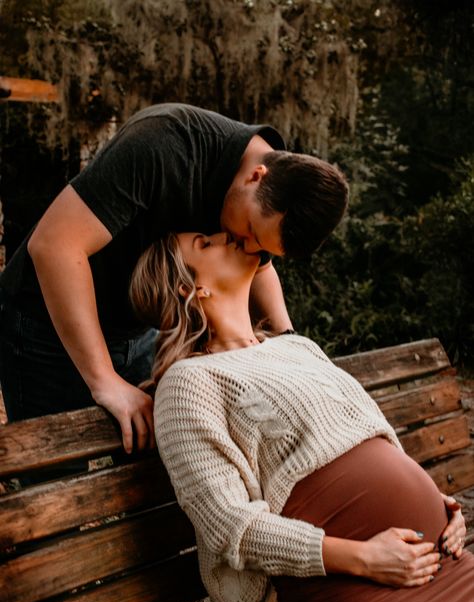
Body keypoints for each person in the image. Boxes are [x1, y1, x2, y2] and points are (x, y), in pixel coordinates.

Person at [128, 230, 473, 602]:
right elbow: (232, 527)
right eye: (204, 243)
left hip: (441, 561)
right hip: (352, 588)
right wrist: (364, 558)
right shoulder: (188, 384)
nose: (224, 236)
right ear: (191, 288)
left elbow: (371, 436)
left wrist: (441, 505)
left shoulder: (298, 348)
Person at [0, 103, 348, 453]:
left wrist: (291, 348)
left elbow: (262, 270)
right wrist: (104, 380)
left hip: (139, 333)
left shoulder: (273, 201)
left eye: (262, 247)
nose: (247, 249)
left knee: (157, 472)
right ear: (256, 176)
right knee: (56, 487)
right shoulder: (162, 144)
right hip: (44, 327)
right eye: (251, 234)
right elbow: (54, 246)